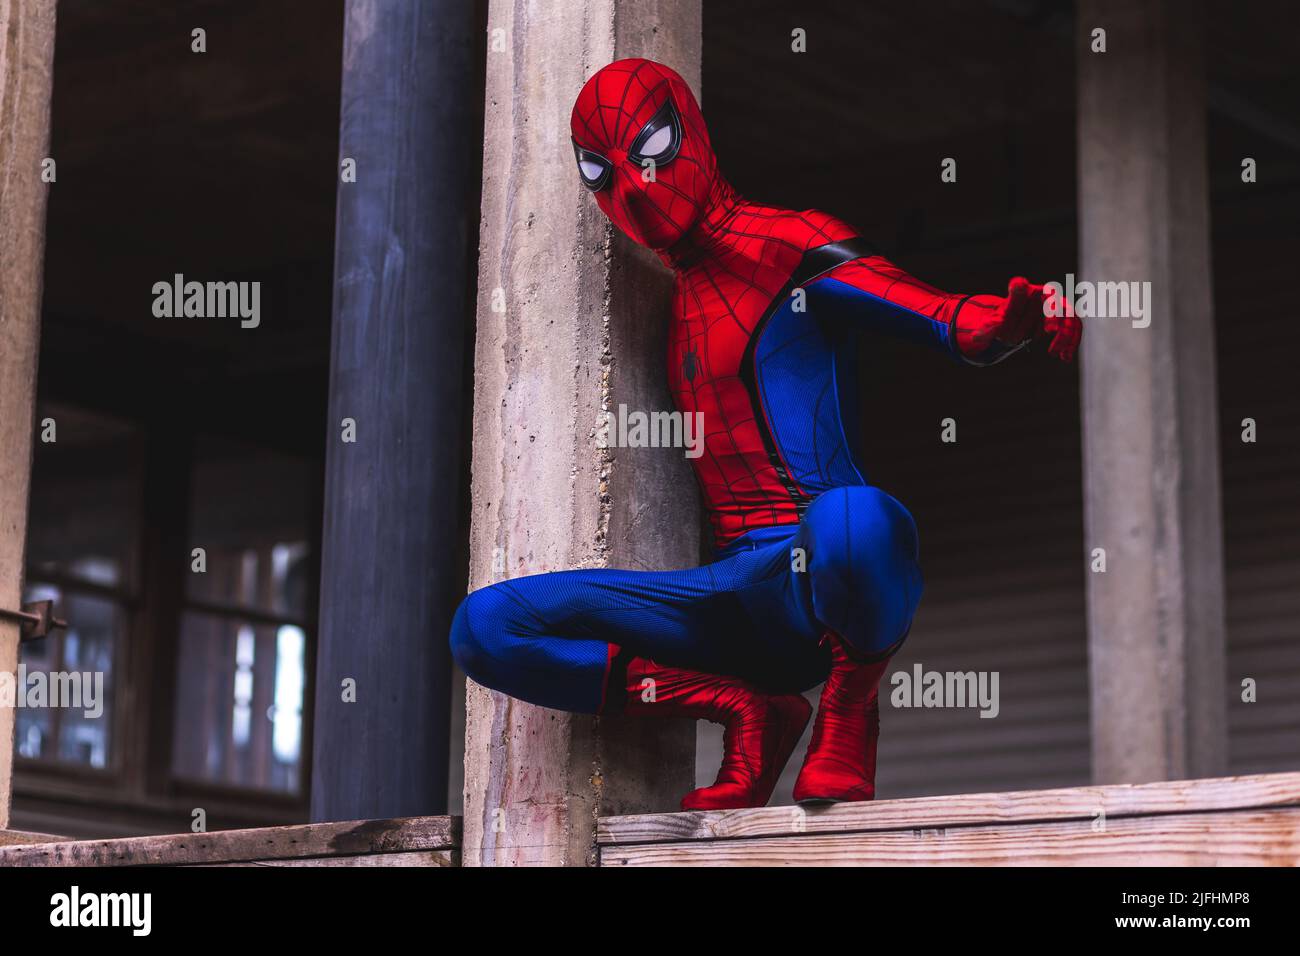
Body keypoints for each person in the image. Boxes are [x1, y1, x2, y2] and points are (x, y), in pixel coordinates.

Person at [451, 58, 1081, 810]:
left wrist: (1011, 319)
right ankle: (744, 713)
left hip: (815, 579)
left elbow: (942, 315)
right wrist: (729, 693)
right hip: (725, 603)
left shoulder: (791, 244)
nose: (636, 193)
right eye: (602, 174)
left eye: (653, 156)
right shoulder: (675, 297)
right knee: (486, 627)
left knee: (855, 516)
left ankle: (849, 710)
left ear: (696, 140)